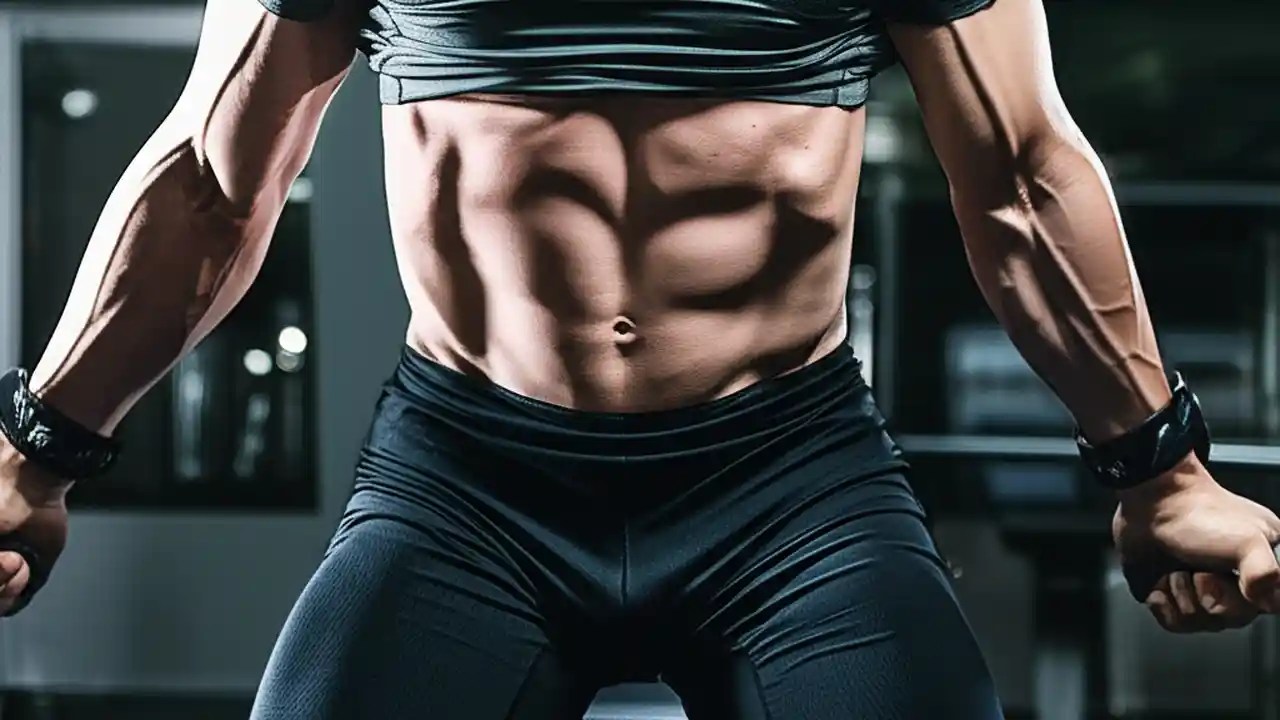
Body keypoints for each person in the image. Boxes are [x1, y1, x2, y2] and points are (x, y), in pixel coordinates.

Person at [0, 0, 1276, 716]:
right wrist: (33, 449)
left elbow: (1014, 173)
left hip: (787, 486)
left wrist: (1157, 471)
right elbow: (216, 182)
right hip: (469, 483)